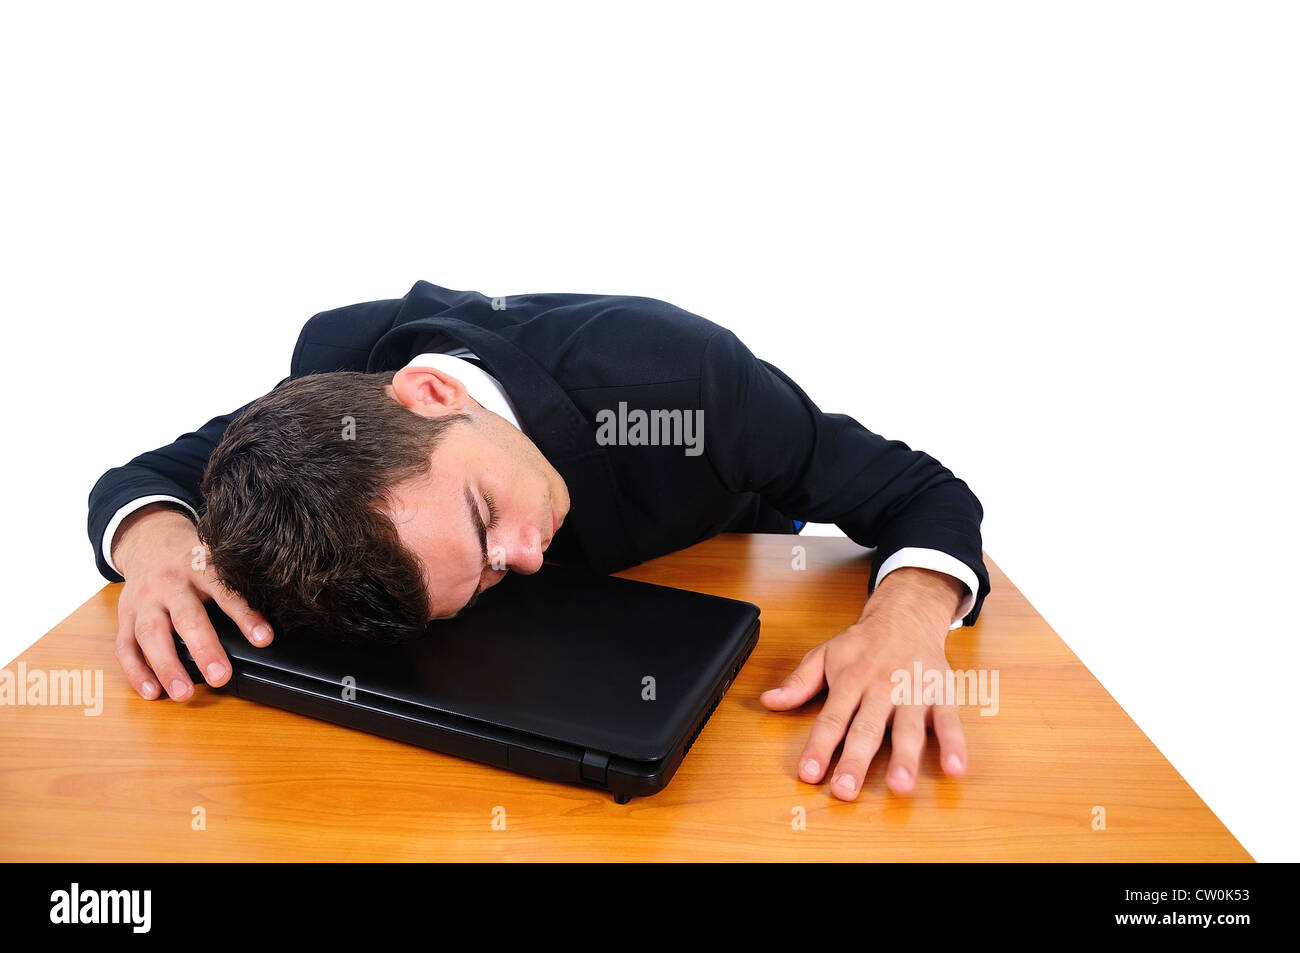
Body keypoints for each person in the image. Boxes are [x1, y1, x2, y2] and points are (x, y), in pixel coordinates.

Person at [89, 279, 991, 801]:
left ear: (432, 395)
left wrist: (909, 619)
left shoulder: (686, 385)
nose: (523, 557)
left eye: (484, 516)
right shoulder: (328, 400)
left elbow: (921, 491)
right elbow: (145, 477)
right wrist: (161, 543)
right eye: (480, 579)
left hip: (723, 545)